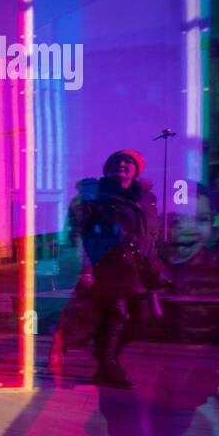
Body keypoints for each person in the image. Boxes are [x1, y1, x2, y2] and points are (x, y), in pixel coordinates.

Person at [67, 149, 167, 388]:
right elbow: (76, 234)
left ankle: (105, 355)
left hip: (138, 269)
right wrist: (85, 269)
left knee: (142, 317)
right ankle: (108, 366)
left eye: (128, 162)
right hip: (108, 267)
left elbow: (150, 237)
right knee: (117, 314)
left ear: (136, 170)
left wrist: (155, 270)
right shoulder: (94, 195)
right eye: (116, 161)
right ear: (107, 168)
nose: (122, 164)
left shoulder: (146, 198)